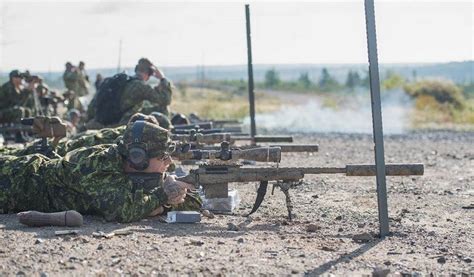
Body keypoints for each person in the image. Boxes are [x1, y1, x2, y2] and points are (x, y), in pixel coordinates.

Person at [0, 120, 201, 222]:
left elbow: (192, 204)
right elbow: (122, 210)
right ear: (137, 158)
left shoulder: (135, 168)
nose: (168, 163)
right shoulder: (96, 165)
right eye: (163, 158)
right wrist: (163, 195)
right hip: (11, 182)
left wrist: (171, 195)